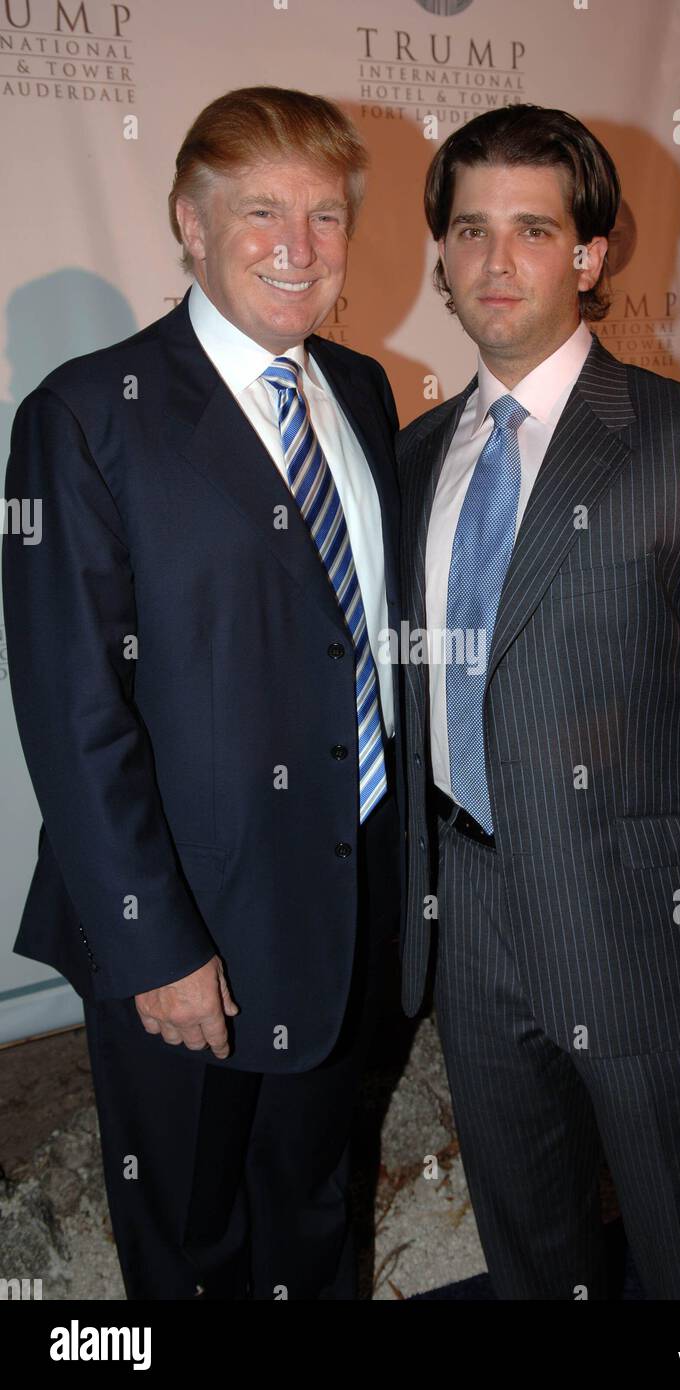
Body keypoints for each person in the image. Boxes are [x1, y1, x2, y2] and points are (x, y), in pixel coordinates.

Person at [396, 104, 680, 1300]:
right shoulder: (414, 456)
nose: (494, 260)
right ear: (440, 254)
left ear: (588, 258)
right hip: (468, 927)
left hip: (649, 940)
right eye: (469, 230)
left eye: (531, 230)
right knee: (528, 1256)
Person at [3, 86, 403, 1301]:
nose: (299, 249)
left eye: (326, 217)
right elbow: (75, 713)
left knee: (320, 1204)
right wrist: (153, 944)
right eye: (262, 212)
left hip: (350, 902)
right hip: (187, 928)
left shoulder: (365, 389)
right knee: (191, 1237)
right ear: (189, 218)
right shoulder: (82, 417)